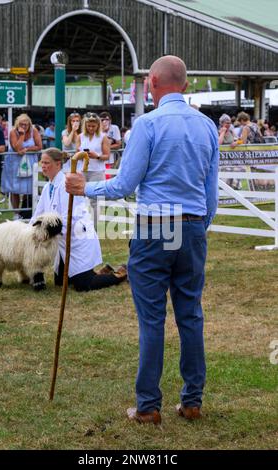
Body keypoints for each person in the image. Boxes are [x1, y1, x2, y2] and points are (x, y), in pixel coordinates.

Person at [65, 55, 219, 425]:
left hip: (155, 228)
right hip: (193, 226)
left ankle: (149, 406)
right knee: (190, 315)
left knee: (152, 320)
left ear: (151, 83)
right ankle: (192, 401)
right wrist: (198, 227)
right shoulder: (208, 126)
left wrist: (86, 187)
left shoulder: (146, 125)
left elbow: (124, 185)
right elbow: (211, 193)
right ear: (185, 84)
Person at [31, 147, 127, 291]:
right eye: (42, 163)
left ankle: (121, 274)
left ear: (58, 164)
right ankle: (101, 272)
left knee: (83, 286)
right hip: (62, 242)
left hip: (77, 238)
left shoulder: (66, 185)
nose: (43, 166)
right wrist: (30, 230)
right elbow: (38, 214)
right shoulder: (47, 188)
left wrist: (46, 232)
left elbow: (67, 217)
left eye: (47, 163)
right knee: (60, 283)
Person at [1, 113, 42, 219]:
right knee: (14, 189)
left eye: (26, 124)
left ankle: (26, 212)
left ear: (30, 124)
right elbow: (17, 148)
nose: (24, 126)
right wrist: (22, 135)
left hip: (30, 162)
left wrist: (27, 149)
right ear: (17, 124)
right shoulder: (13, 132)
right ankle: (16, 213)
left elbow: (39, 146)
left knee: (28, 187)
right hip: (14, 163)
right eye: (22, 124)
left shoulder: (34, 131)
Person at [76, 112, 110, 229]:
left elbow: (107, 155)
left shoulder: (103, 137)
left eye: (93, 126)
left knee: (95, 200)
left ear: (97, 125)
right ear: (85, 125)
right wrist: (81, 154)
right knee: (79, 199)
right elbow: (77, 151)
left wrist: (97, 156)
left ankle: (94, 228)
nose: (91, 128)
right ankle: (81, 225)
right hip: (83, 170)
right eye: (88, 126)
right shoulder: (80, 136)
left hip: (97, 170)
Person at [99, 111, 121, 175]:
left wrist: (105, 147)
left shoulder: (114, 128)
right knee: (100, 179)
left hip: (110, 160)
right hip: (98, 160)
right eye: (102, 120)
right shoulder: (97, 129)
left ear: (110, 120)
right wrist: (102, 130)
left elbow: (118, 144)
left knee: (109, 177)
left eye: (107, 120)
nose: (105, 122)